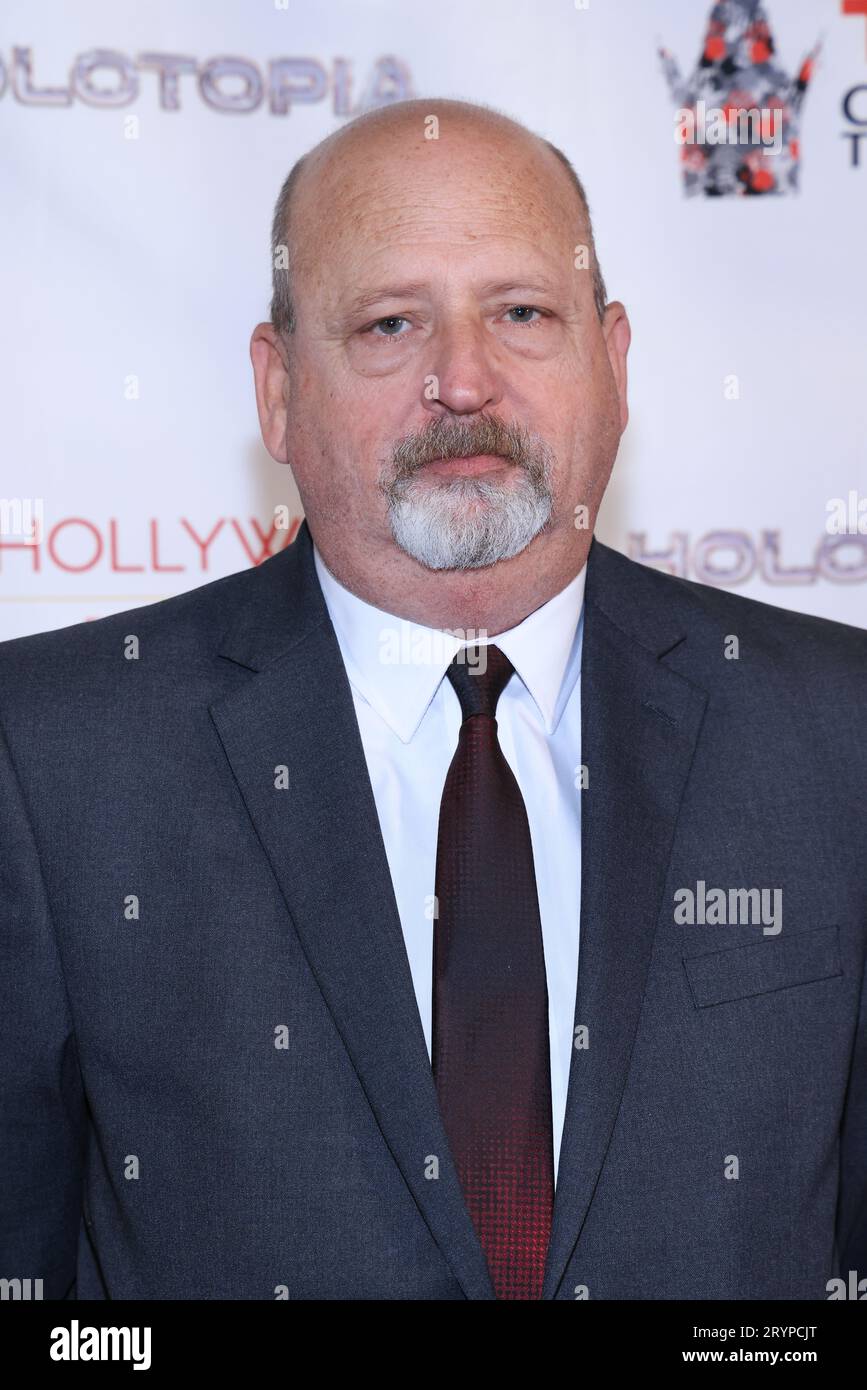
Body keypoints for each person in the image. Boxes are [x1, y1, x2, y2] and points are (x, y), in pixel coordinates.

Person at [0, 98, 864, 1302]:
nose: (464, 380)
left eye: (521, 313)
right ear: (279, 391)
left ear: (612, 365)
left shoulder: (837, 734)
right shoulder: (50, 757)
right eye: (391, 323)